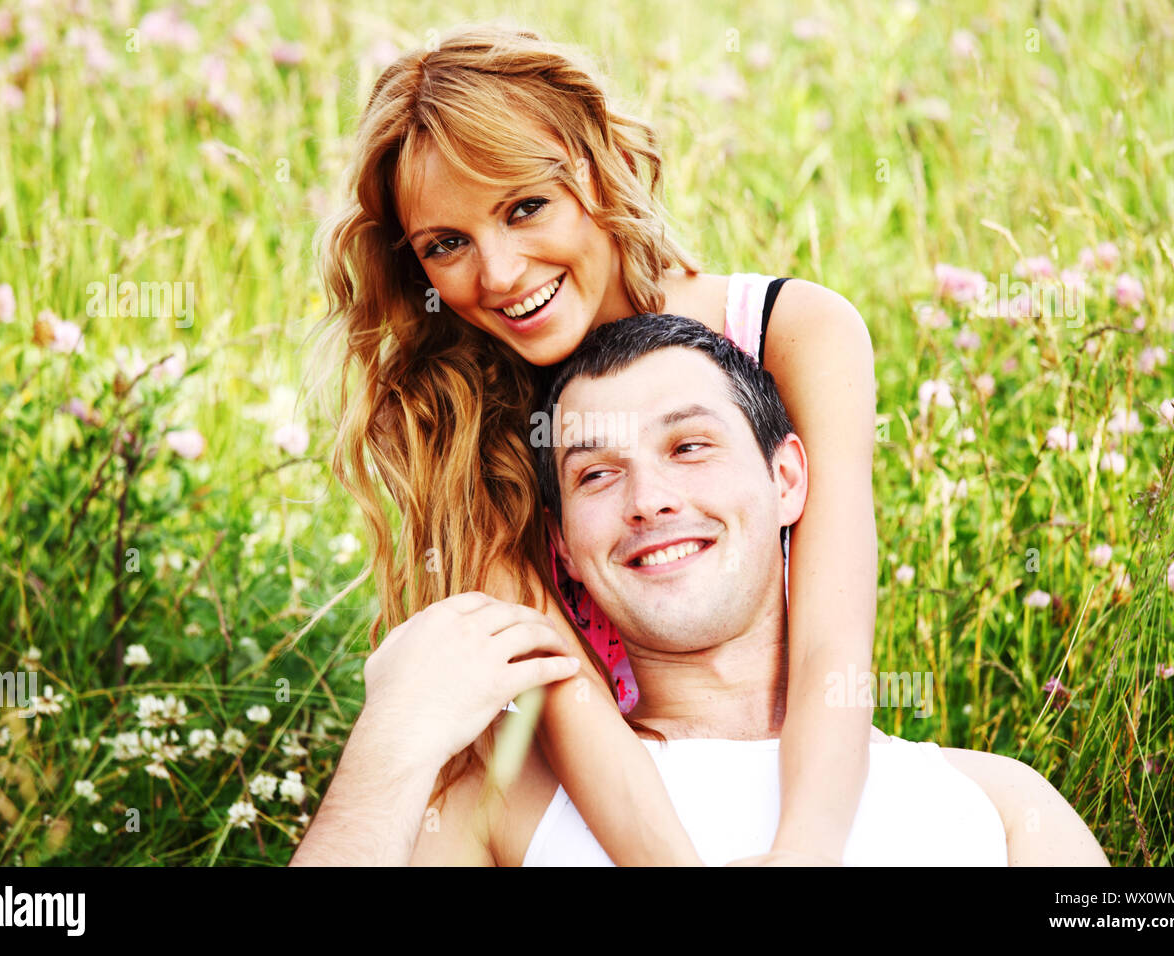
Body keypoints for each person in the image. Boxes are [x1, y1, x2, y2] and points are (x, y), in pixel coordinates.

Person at [306, 22, 878, 864]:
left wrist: (806, 850)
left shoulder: (793, 331)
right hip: (607, 810)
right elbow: (567, 699)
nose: (498, 274)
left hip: (810, 770)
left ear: (597, 171)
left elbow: (836, 635)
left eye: (524, 207)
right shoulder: (455, 420)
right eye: (447, 244)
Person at [291, 314, 1108, 866]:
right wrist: (391, 743)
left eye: (688, 446)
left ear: (787, 479)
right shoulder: (499, 808)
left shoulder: (996, 804)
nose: (649, 500)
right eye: (599, 473)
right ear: (566, 551)